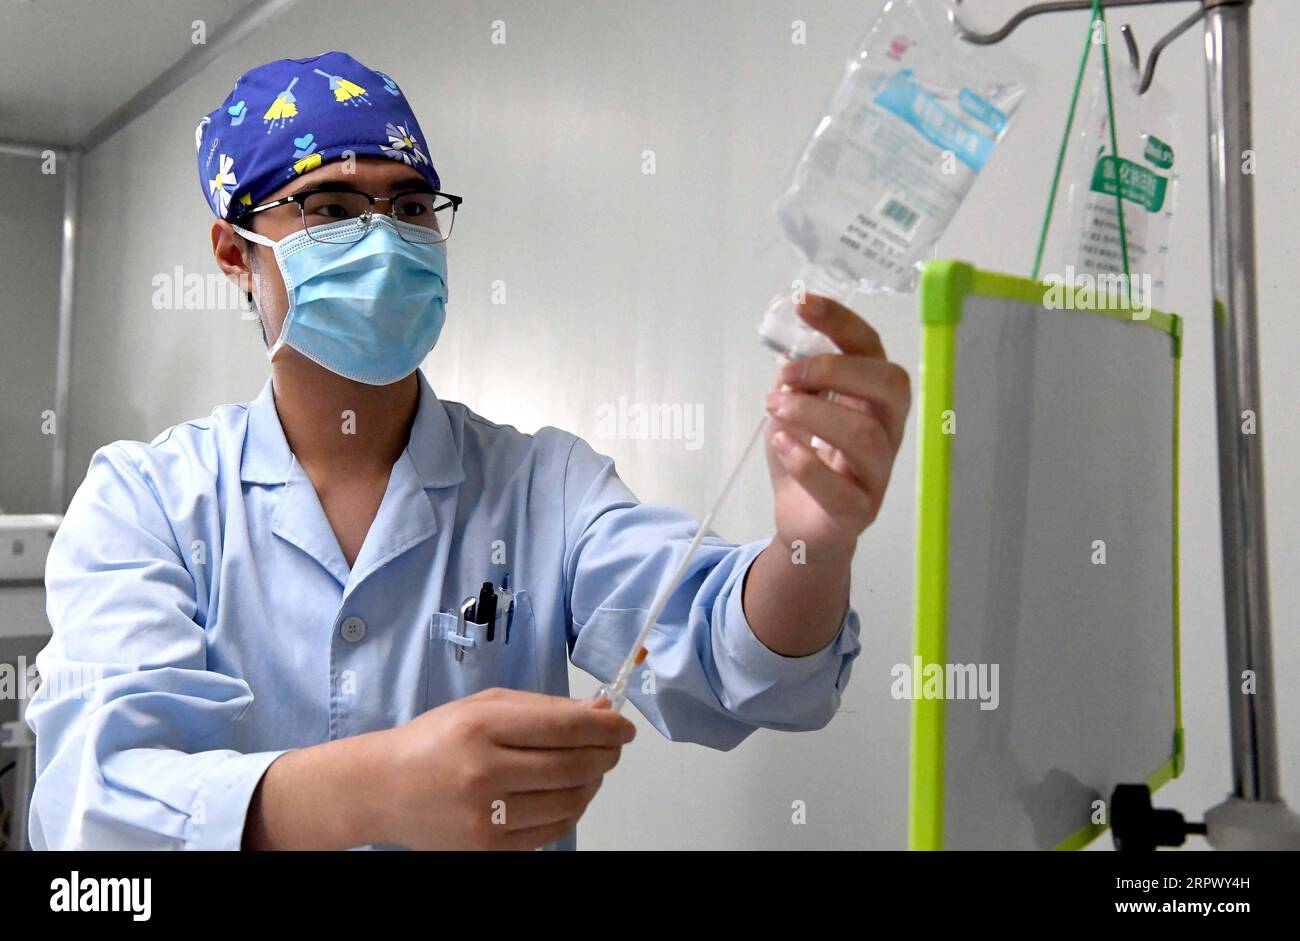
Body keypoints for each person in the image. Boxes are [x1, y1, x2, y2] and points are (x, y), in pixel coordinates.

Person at [26, 52, 911, 850]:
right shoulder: (147, 501)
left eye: (409, 205)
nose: (383, 237)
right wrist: (373, 790)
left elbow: (736, 666)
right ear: (235, 253)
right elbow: (95, 811)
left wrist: (816, 538)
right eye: (331, 207)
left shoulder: (543, 487)